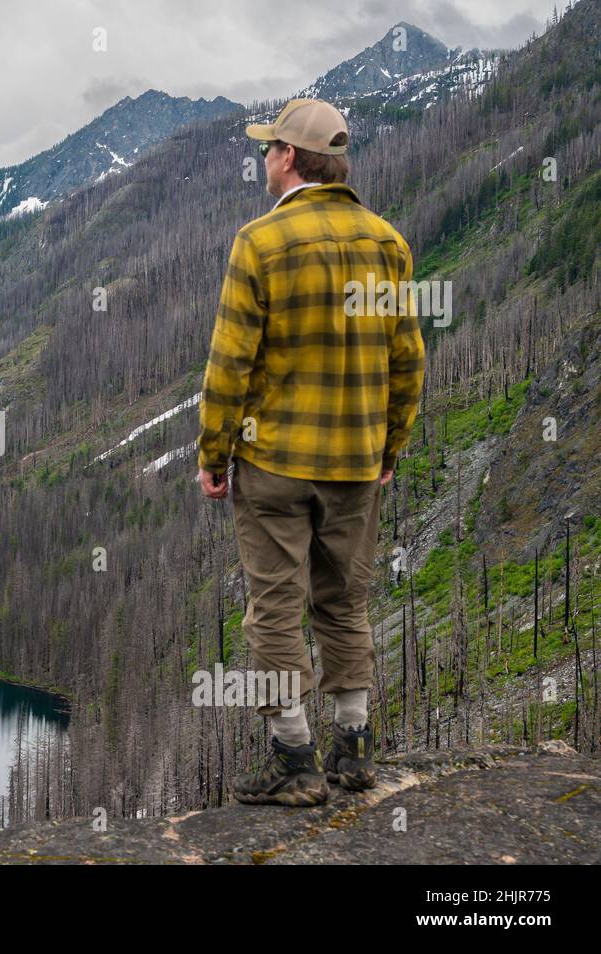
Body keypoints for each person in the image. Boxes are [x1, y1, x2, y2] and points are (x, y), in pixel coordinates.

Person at [195, 98, 425, 806]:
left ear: (290, 158)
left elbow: (230, 362)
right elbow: (407, 360)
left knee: (274, 609)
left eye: (270, 149)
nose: (264, 159)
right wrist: (390, 446)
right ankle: (354, 754)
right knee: (345, 604)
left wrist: (215, 454)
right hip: (356, 462)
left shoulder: (259, 243)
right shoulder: (386, 243)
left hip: (274, 465)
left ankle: (295, 761)